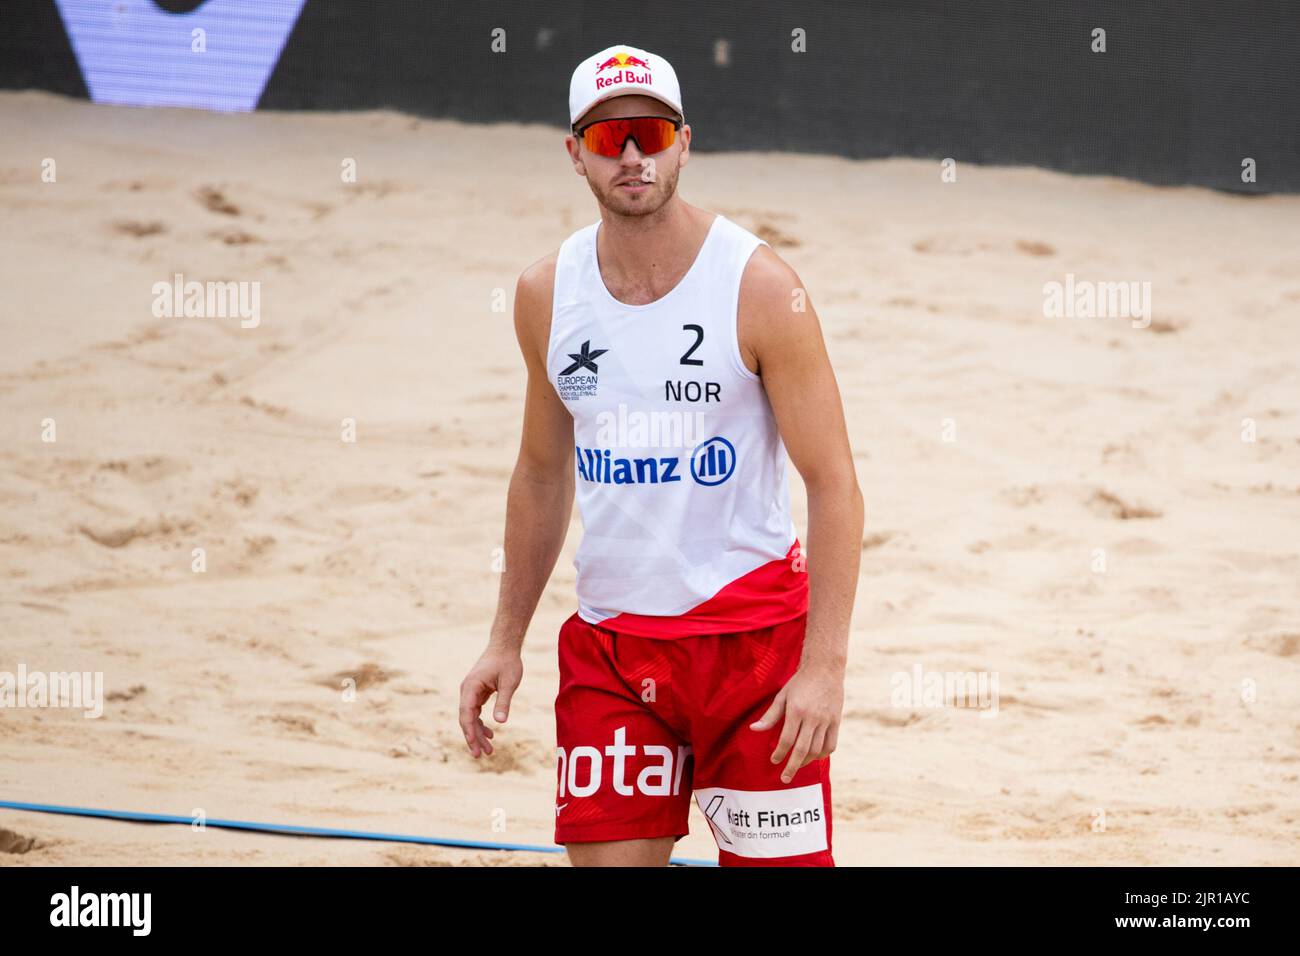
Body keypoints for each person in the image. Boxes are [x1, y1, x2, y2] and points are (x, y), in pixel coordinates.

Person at [458, 44, 863, 867]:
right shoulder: (546, 293)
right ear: (576, 155)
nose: (633, 156)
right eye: (610, 140)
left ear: (685, 141)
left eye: (650, 133)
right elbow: (540, 471)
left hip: (751, 649)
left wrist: (823, 670)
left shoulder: (758, 287)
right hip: (611, 646)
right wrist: (505, 639)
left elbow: (834, 486)